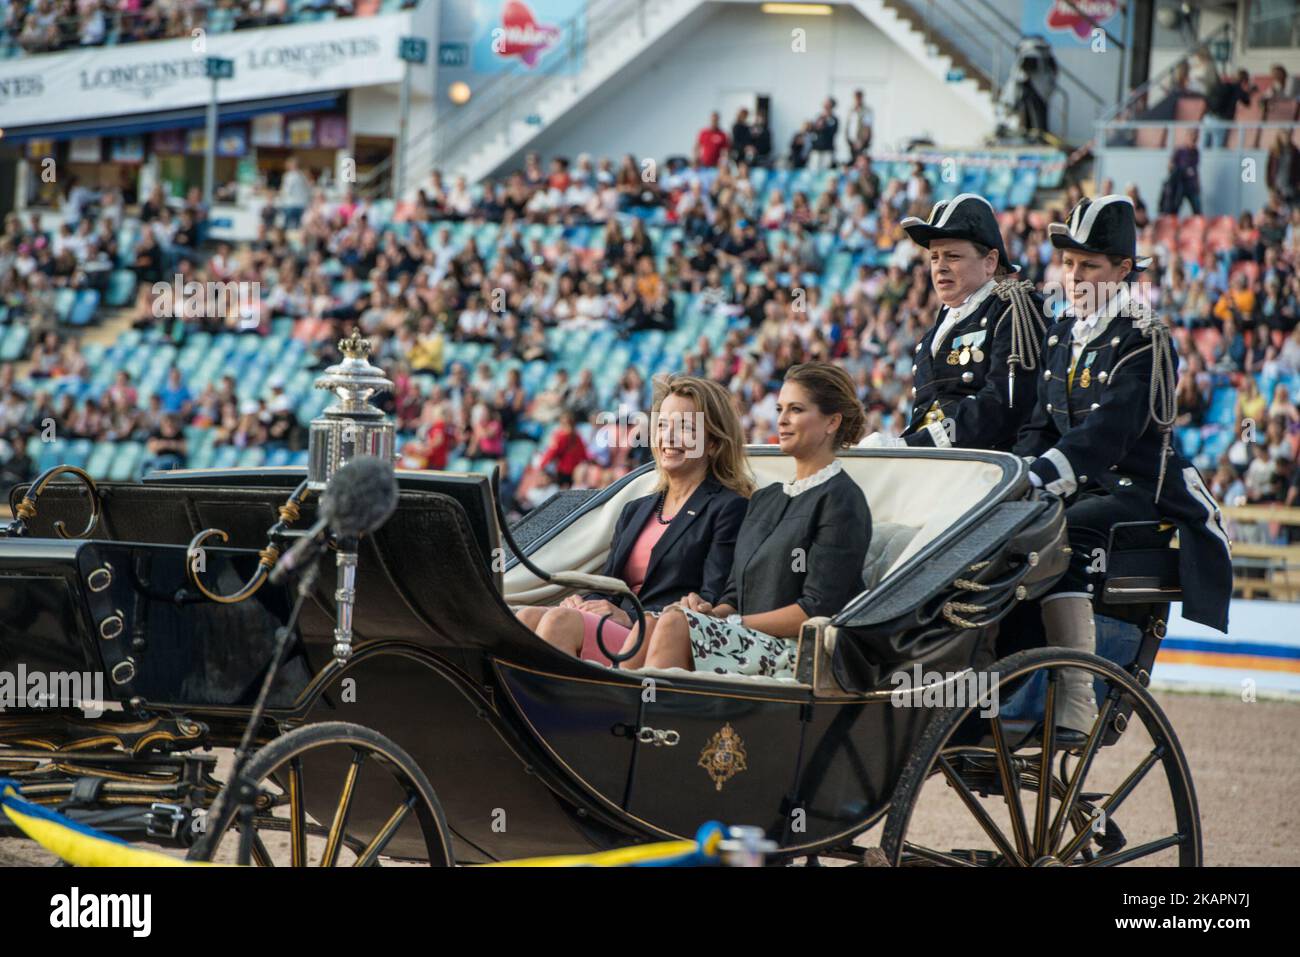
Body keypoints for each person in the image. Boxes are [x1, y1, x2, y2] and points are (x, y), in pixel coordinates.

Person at [1013, 195, 1232, 735]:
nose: (1073, 276)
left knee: (1063, 531)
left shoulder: (1144, 337)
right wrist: (1016, 475)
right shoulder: (1061, 333)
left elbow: (1109, 433)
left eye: (1089, 265)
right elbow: (1041, 426)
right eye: (1068, 263)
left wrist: (1042, 478)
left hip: (1138, 489)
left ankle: (1076, 697)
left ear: (1123, 270)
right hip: (1082, 487)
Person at [631, 362, 871, 676]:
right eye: (780, 409)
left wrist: (732, 622)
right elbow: (734, 595)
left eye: (796, 409)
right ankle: (617, 705)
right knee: (655, 619)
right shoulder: (764, 499)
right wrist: (710, 613)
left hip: (796, 650)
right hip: (746, 636)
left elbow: (817, 609)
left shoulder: (841, 499)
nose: (781, 420)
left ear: (832, 422)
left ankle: (645, 705)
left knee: (676, 623)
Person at [516, 376, 752, 663]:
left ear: (713, 443)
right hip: (617, 628)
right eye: (662, 425)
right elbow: (607, 587)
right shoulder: (635, 509)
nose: (668, 437)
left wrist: (628, 616)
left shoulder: (729, 507)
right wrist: (582, 603)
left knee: (559, 623)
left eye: (685, 428)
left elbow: (709, 600)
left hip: (658, 636)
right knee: (527, 617)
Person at [859, 194, 1046, 451]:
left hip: (986, 464)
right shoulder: (940, 326)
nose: (940, 267)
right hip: (937, 462)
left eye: (953, 256)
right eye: (934, 257)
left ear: (990, 262)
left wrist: (913, 445)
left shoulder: (1012, 310)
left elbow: (1004, 406)